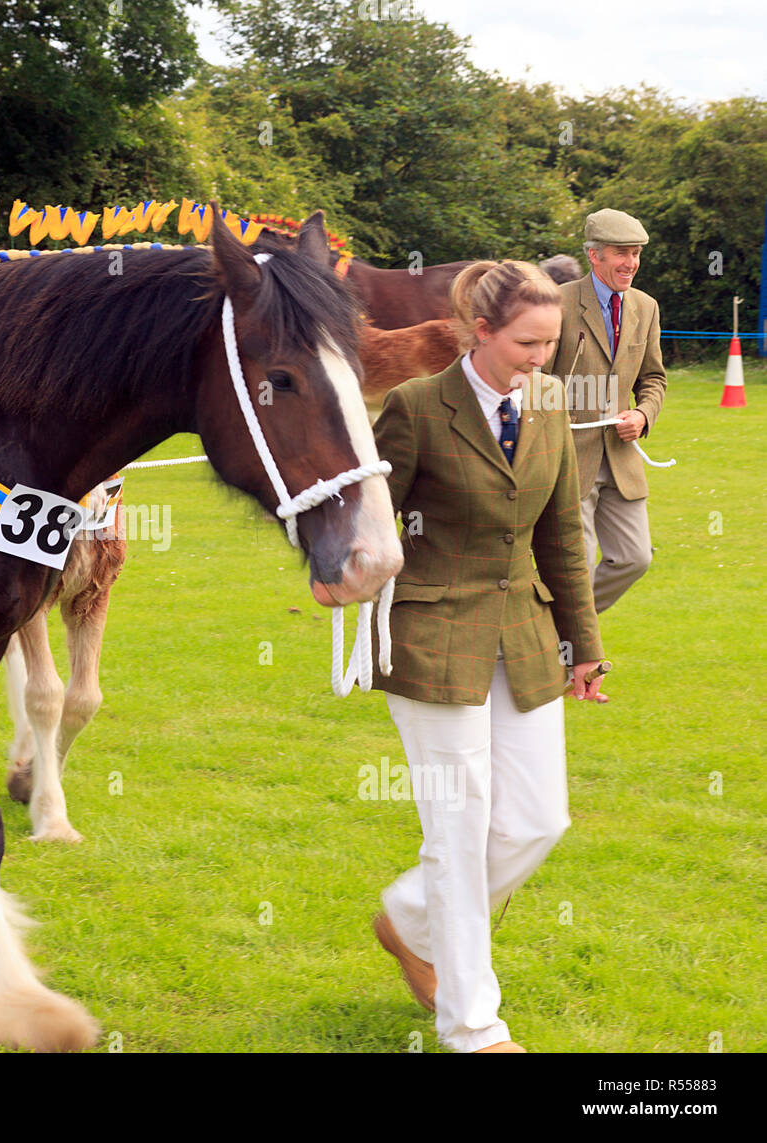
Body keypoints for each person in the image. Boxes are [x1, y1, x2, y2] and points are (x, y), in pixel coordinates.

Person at [369, 260, 606, 1053]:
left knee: (539, 820)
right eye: (529, 343)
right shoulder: (413, 409)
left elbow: (562, 535)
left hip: (529, 636)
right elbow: (367, 521)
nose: (544, 359)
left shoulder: (548, 405)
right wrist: (342, 575)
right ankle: (472, 1025)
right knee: (459, 832)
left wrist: (584, 645)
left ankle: (407, 918)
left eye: (553, 343)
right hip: (433, 640)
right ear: (480, 331)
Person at [548, 208, 667, 615]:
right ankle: (569, 661)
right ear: (594, 255)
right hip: (565, 459)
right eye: (621, 252)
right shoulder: (557, 303)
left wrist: (644, 415)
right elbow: (532, 378)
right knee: (573, 570)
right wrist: (549, 417)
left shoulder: (647, 307)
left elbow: (653, 379)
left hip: (621, 460)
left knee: (635, 559)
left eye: (635, 253)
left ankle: (553, 629)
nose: (631, 263)